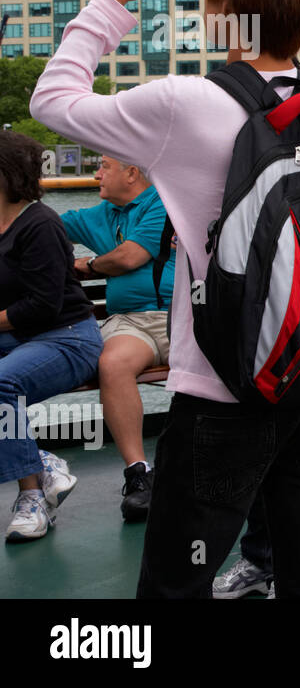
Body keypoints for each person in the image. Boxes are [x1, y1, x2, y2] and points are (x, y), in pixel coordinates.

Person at [31, 0, 300, 598]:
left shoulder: (182, 105)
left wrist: (110, 1)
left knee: (175, 584)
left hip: (220, 394)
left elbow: (52, 102)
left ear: (220, 12)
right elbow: (265, 67)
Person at [0, 131, 103, 542]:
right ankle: (41, 464)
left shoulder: (40, 223)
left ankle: (32, 497)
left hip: (67, 337)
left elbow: (43, 305)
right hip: (21, 337)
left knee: (2, 383)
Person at [60, 155, 174, 522]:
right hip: (130, 322)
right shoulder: (101, 215)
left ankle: (214, 463)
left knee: (221, 359)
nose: (96, 174)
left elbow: (130, 257)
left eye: (104, 166)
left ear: (131, 172)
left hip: (183, 317)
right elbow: (39, 228)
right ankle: (138, 474)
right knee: (112, 363)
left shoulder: (164, 200)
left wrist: (86, 265)